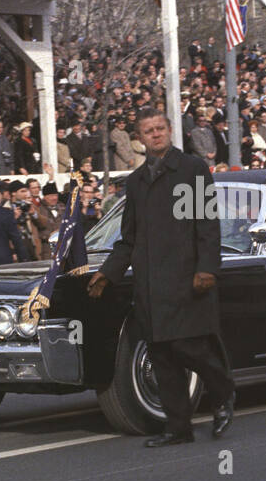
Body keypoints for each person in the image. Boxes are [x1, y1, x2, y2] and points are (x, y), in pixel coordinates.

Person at [88, 108, 235, 446]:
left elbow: (208, 224)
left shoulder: (191, 169)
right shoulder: (136, 182)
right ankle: (178, 428)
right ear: (139, 138)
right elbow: (128, 239)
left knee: (187, 347)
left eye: (160, 128)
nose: (155, 134)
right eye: (147, 130)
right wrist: (106, 274)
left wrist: (207, 268)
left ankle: (224, 390)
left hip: (186, 280)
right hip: (150, 286)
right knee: (162, 356)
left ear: (170, 130)